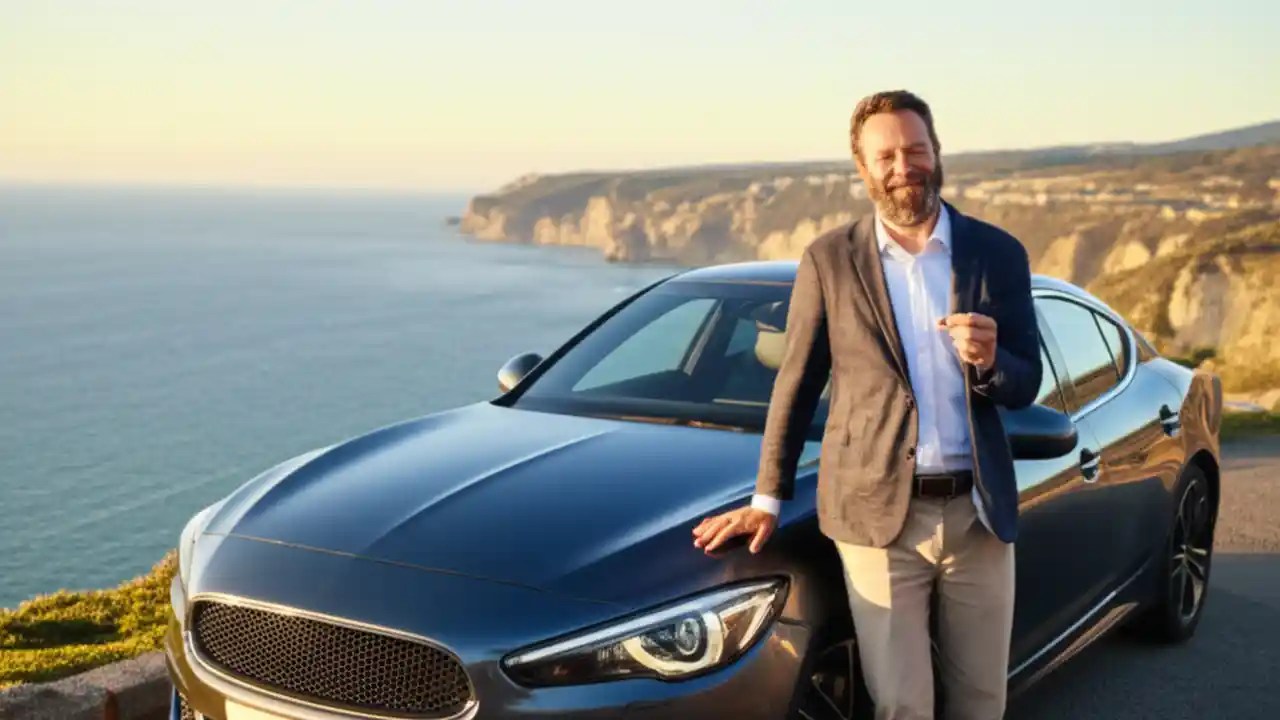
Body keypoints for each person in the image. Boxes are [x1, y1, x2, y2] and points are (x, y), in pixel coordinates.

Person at [691, 89, 1042, 720]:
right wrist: (767, 498)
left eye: (915, 149)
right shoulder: (829, 260)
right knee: (903, 704)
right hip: (877, 520)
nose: (903, 166)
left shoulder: (998, 254)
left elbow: (1027, 382)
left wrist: (992, 365)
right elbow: (794, 385)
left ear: (937, 153)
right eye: (886, 156)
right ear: (863, 169)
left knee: (983, 701)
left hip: (978, 518)